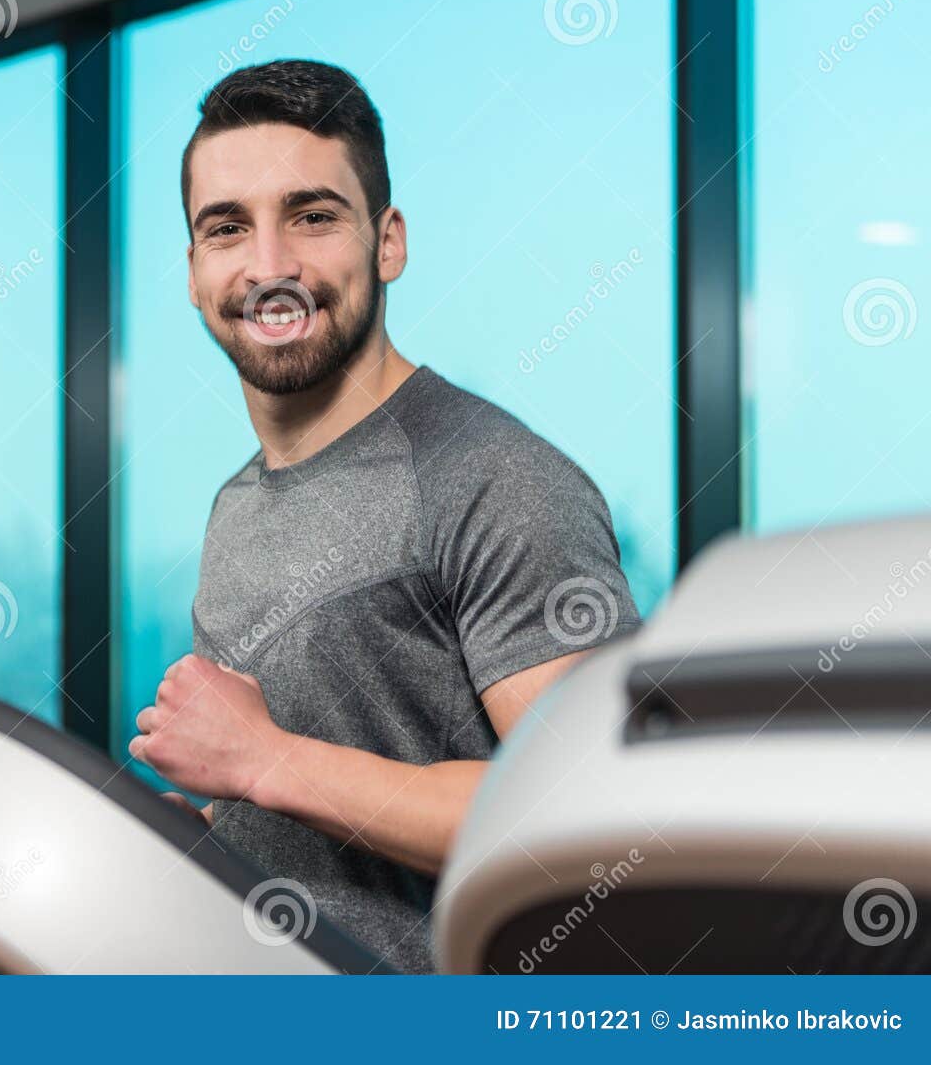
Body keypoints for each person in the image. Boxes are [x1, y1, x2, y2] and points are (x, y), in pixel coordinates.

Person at [127, 59, 641, 972]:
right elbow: (315, 809)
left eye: (313, 217)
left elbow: (587, 817)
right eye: (227, 229)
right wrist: (210, 832)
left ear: (388, 242)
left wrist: (264, 764)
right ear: (197, 272)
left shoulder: (495, 478)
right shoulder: (236, 505)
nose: (271, 266)